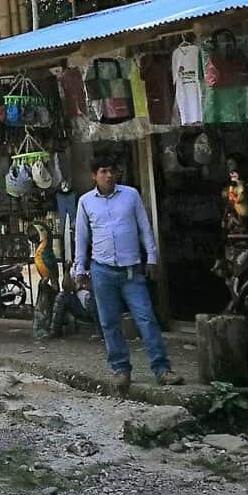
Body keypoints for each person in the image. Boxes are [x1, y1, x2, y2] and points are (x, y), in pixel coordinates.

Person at [73, 159, 180, 392]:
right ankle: (121, 369)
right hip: (102, 270)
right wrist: (79, 269)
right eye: (103, 171)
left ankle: (162, 369)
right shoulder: (85, 202)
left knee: (146, 318)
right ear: (94, 175)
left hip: (132, 270)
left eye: (112, 170)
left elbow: (145, 227)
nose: (109, 175)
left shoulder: (131, 195)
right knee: (109, 322)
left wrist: (151, 258)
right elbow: (81, 238)